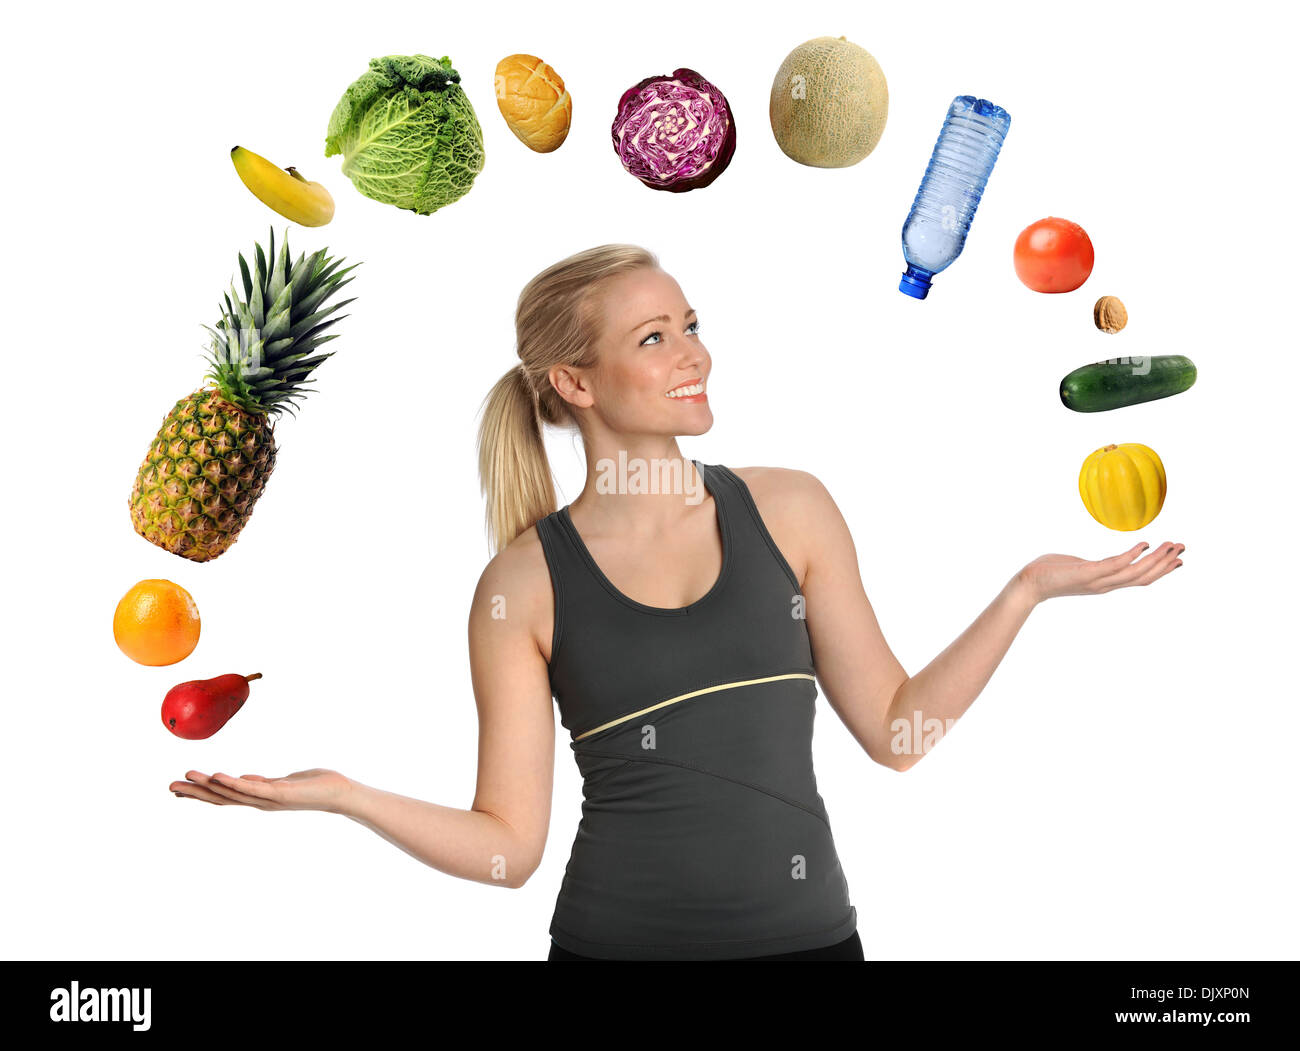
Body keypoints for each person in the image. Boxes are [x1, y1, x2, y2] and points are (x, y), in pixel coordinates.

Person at [171, 244, 1185, 961]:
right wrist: (344, 794)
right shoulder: (520, 586)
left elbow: (897, 731)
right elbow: (507, 850)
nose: (694, 353)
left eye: (691, 325)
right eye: (654, 337)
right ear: (574, 379)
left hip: (812, 947)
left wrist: (1028, 591)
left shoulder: (789, 508)